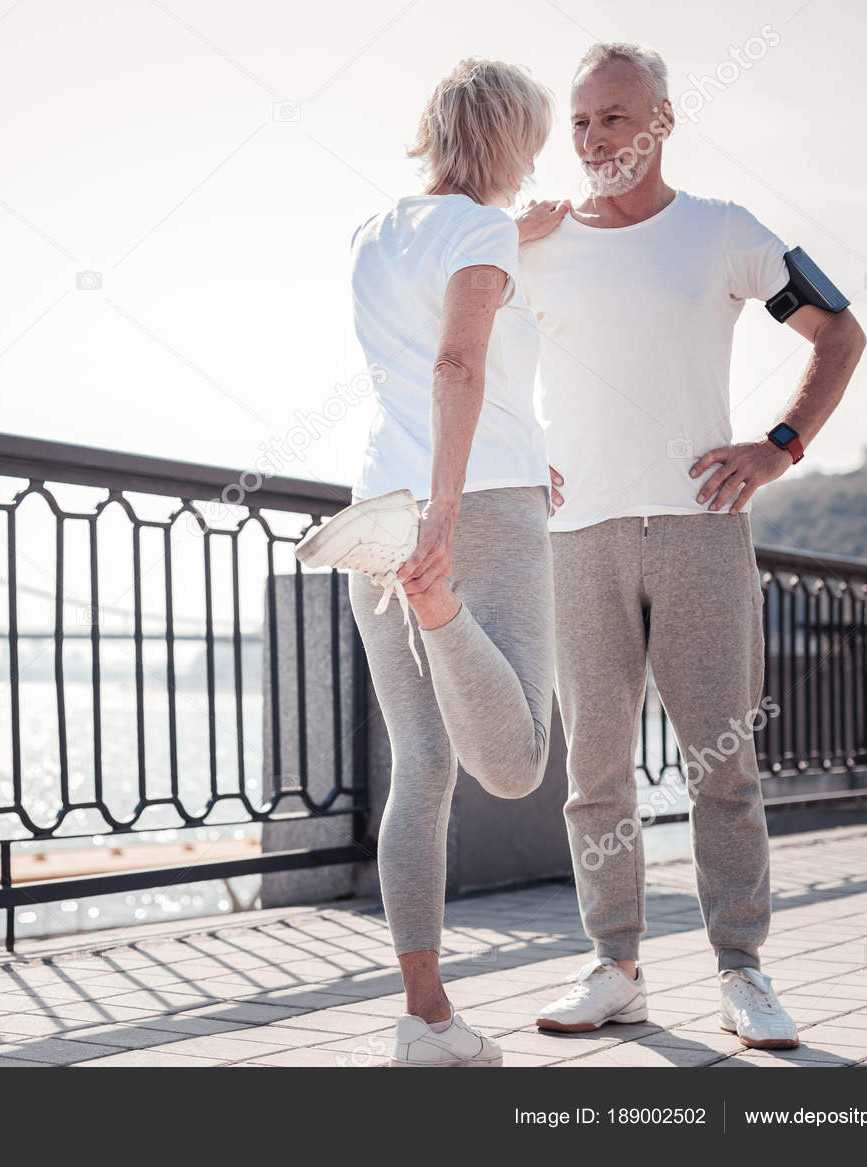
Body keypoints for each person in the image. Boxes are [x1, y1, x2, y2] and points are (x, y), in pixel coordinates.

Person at [516, 42, 866, 1049]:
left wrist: (779, 445)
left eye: (615, 117)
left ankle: (742, 970)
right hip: (576, 535)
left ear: (663, 121)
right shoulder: (533, 244)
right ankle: (614, 967)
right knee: (595, 773)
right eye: (581, 122)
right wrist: (517, 454)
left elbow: (840, 334)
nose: (594, 141)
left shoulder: (723, 231)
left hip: (701, 529)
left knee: (722, 763)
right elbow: (458, 353)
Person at [294, 56, 563, 1068]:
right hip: (475, 504)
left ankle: (427, 1021)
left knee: (422, 762)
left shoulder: (374, 233)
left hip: (376, 509)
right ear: (510, 140)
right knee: (515, 760)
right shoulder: (482, 231)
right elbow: (458, 362)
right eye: (532, 140)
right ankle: (438, 603)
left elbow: (423, 348)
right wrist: (448, 509)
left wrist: (522, 232)